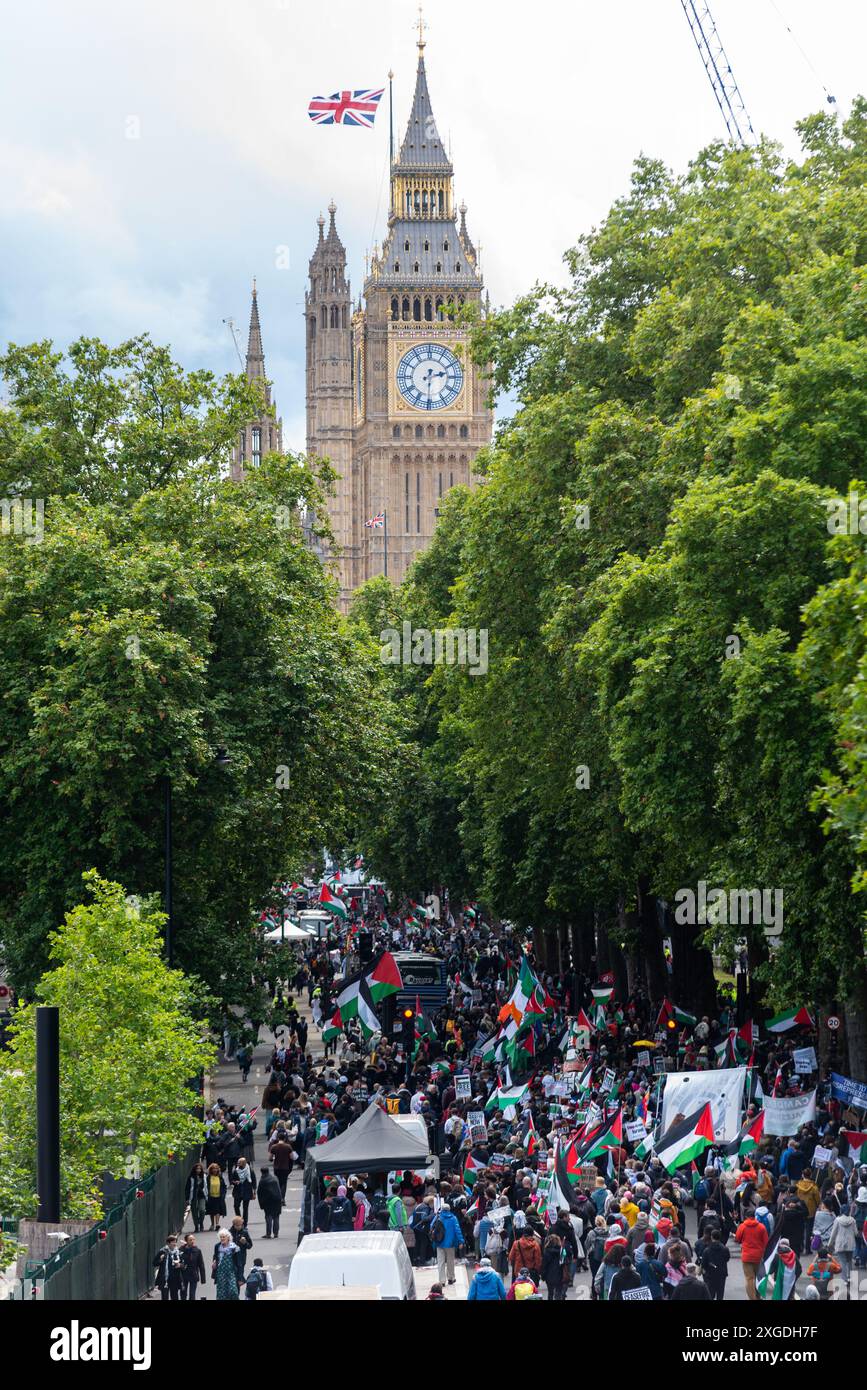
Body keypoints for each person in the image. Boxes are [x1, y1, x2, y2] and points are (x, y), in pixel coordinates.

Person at [735, 1210, 769, 1301]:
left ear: (746, 1216)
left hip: (746, 1256)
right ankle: (758, 1296)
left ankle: (752, 1298)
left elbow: (737, 1238)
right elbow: (766, 1242)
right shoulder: (761, 1227)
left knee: (749, 1278)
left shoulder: (742, 1226)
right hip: (758, 1256)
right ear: (754, 1216)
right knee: (758, 1278)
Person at [430, 1204, 463, 1286]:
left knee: (440, 1262)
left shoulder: (438, 1217)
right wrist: (461, 1241)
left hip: (439, 1243)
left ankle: (442, 1281)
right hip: (450, 1244)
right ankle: (451, 1278)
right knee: (450, 1261)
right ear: (449, 1209)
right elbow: (457, 1230)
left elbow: (431, 1226)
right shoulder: (453, 1218)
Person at [212, 1228, 243, 1301]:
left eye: (224, 1237)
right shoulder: (217, 1246)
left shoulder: (234, 1248)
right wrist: (214, 1261)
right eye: (221, 1237)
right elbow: (215, 1256)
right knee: (221, 1294)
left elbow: (239, 1263)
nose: (222, 1238)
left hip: (231, 1272)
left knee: (233, 1291)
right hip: (221, 1272)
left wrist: (240, 1277)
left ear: (228, 1237)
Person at [699, 1229, 729, 1301]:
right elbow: (727, 1258)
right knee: (720, 1293)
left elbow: (703, 1263)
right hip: (722, 1273)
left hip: (710, 1274)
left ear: (711, 1237)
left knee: (710, 1294)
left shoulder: (707, 1250)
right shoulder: (725, 1249)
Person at [153, 1234, 184, 1301]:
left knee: (175, 1296)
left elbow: (184, 1265)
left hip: (175, 1278)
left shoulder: (178, 1253)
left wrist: (180, 1265)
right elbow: (154, 1263)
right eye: (173, 1242)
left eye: (175, 1242)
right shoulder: (162, 1251)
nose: (174, 1243)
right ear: (168, 1243)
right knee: (165, 1297)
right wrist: (160, 1260)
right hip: (165, 1279)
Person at [257, 1165, 283, 1239]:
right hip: (277, 1200)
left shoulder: (263, 1181)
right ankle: (276, 1233)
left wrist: (261, 1204)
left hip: (267, 1201)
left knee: (268, 1216)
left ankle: (268, 1234)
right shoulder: (275, 1178)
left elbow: (259, 1192)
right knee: (276, 1217)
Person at [179, 1234, 206, 1301]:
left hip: (194, 1274)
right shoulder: (181, 1250)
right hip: (184, 1275)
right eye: (190, 1240)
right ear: (186, 1241)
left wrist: (203, 1278)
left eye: (193, 1239)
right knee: (183, 1293)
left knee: (192, 1294)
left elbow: (201, 1264)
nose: (192, 1241)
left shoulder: (197, 1250)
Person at [230, 1157, 257, 1223]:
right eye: (237, 1163)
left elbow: (254, 1182)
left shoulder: (250, 1171)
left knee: (245, 1208)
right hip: (237, 1191)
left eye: (239, 1163)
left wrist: (254, 1193)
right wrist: (235, 1182)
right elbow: (231, 1180)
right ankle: (239, 1219)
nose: (237, 1164)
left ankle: (245, 1223)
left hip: (247, 1191)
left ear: (244, 1163)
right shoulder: (235, 1171)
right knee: (236, 1206)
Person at [541, 1233, 567, 1301]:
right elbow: (564, 1263)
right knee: (558, 1293)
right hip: (559, 1274)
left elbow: (544, 1265)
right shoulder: (561, 1252)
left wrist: (543, 1276)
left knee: (550, 1293)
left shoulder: (546, 1252)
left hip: (549, 1276)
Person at [205, 1162, 227, 1231]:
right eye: (213, 1168)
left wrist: (223, 1194)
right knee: (211, 1211)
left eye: (216, 1168)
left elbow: (223, 1186)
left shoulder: (220, 1177)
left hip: (218, 1196)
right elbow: (206, 1186)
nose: (215, 1170)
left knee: (217, 1210)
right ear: (211, 1170)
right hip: (210, 1196)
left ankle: (217, 1224)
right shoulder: (208, 1177)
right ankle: (212, 1224)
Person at [186, 1162, 207, 1234]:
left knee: (202, 1210)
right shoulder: (191, 1177)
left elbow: (206, 1186)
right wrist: (187, 1198)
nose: (198, 1170)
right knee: (194, 1212)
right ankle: (196, 1227)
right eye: (197, 1169)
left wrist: (207, 1195)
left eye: (200, 1169)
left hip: (202, 1195)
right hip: (193, 1197)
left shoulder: (204, 1176)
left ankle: (201, 1223)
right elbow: (187, 1188)